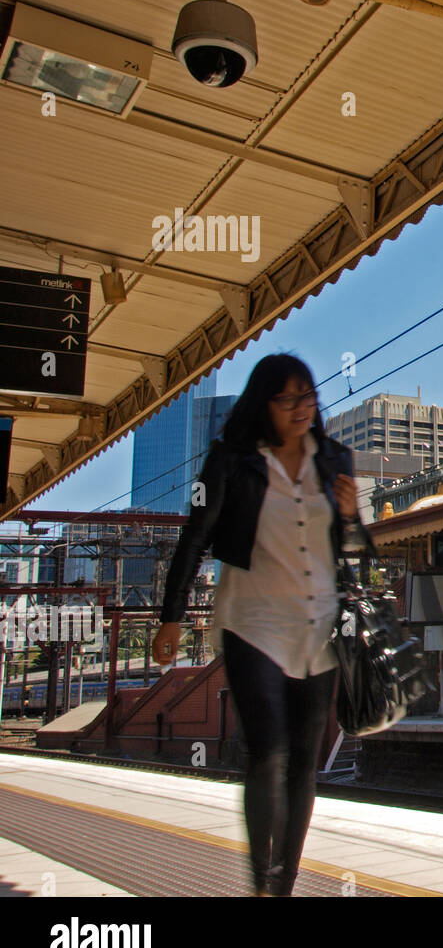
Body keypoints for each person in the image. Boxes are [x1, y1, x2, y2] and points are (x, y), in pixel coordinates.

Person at [153, 354, 369, 896]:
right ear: (264, 404)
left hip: (319, 627)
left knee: (304, 759)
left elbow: (357, 554)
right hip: (252, 620)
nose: (302, 408)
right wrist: (171, 617)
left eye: (308, 396)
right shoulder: (232, 460)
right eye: (287, 398)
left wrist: (350, 517)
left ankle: (284, 885)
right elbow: (196, 533)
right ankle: (260, 883)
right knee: (268, 748)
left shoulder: (336, 459)